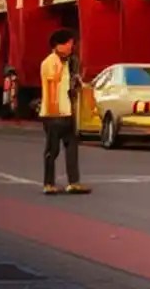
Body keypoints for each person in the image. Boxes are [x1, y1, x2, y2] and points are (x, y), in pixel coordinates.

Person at [39, 29, 90, 195]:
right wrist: (54, 111)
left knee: (72, 147)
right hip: (54, 114)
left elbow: (70, 85)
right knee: (52, 150)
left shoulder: (68, 62)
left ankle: (73, 182)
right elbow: (52, 88)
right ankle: (48, 184)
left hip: (67, 111)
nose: (71, 46)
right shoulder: (51, 62)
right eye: (69, 43)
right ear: (59, 45)